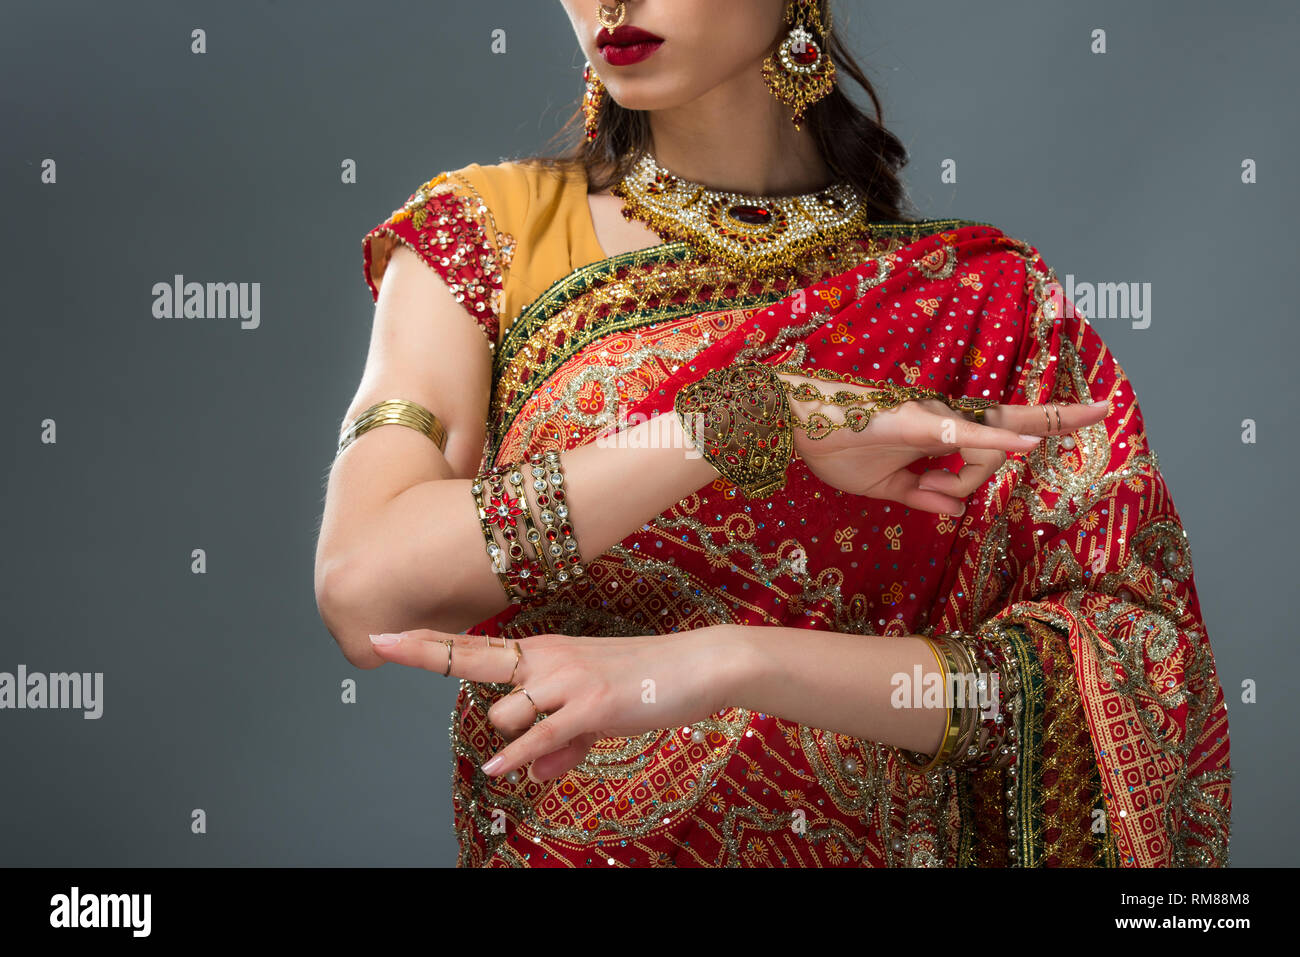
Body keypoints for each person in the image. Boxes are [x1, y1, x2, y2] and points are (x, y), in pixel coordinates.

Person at [314, 0, 1231, 867]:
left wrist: (730, 662)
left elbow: (1134, 687)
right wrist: (749, 418)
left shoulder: (983, 307)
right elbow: (365, 587)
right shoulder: (488, 235)